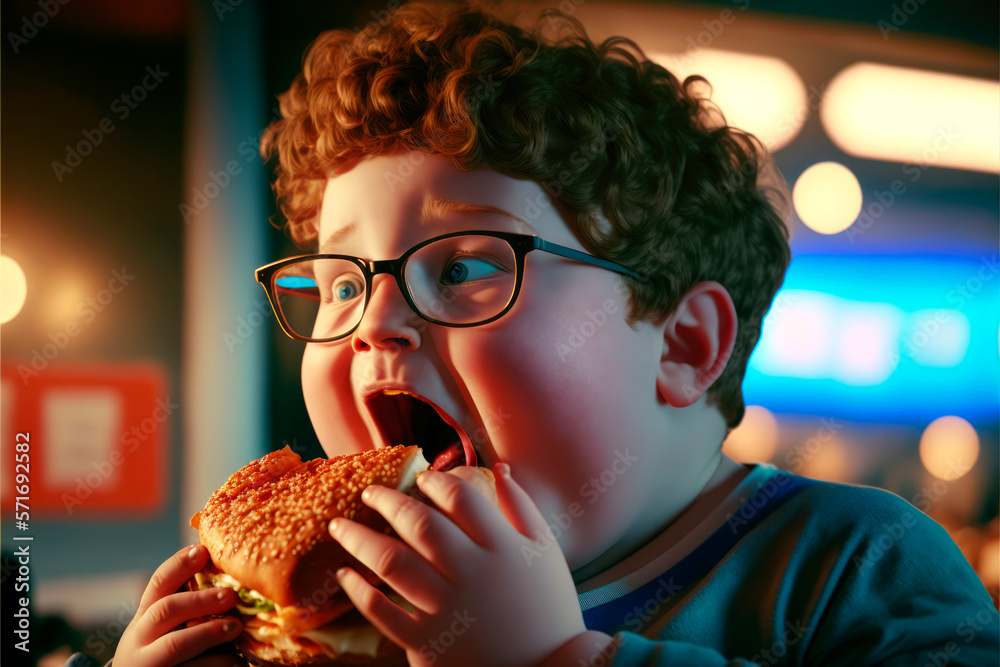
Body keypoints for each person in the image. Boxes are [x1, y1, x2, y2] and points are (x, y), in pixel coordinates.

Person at [87, 1, 999, 665]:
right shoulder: (318, 618)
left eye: (463, 266)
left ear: (682, 344)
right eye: (338, 282)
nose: (373, 323)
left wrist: (556, 658)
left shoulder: (856, 560)